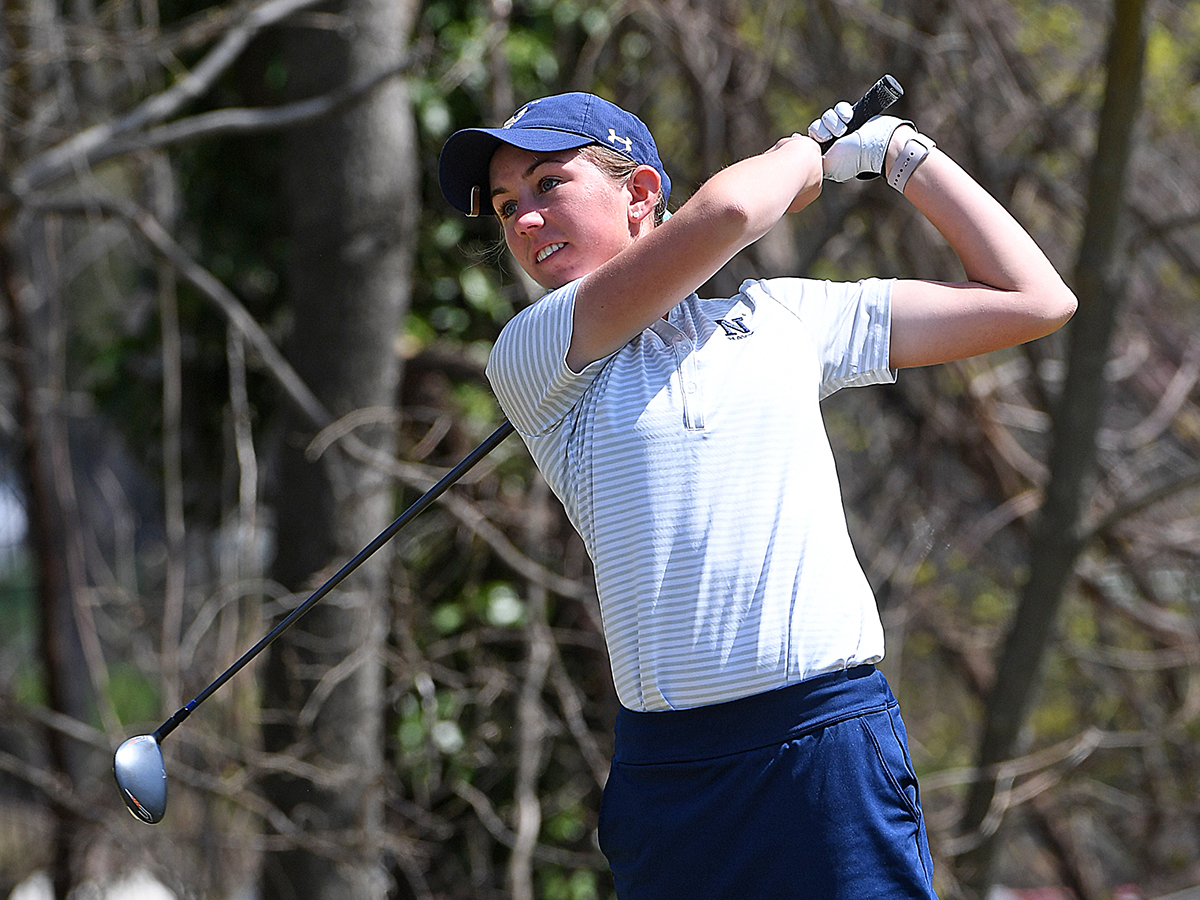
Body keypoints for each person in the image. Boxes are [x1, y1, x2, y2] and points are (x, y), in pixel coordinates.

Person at [438, 90, 1075, 899]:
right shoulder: (532, 354)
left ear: (639, 194)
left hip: (824, 742)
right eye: (505, 206)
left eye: (547, 185)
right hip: (673, 776)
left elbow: (1035, 299)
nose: (523, 220)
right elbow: (733, 209)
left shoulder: (783, 319)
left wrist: (900, 156)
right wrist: (798, 157)